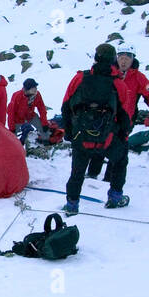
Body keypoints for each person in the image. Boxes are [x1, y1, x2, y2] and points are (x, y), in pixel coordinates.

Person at [61, 43, 131, 212]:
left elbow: (66, 106)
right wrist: (123, 136)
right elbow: (124, 115)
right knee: (120, 161)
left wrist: (69, 132)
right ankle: (115, 197)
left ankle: (72, 204)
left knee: (77, 172)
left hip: (81, 136)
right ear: (113, 59)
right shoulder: (118, 84)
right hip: (107, 137)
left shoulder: (79, 78)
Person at [86, 45, 149, 181]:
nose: (123, 62)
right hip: (106, 118)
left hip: (125, 121)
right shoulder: (109, 73)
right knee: (99, 145)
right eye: (121, 58)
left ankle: (109, 177)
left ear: (132, 60)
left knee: (118, 150)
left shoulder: (138, 77)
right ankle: (93, 173)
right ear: (116, 58)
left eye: (127, 59)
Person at [7, 78, 64, 147]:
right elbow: (11, 113)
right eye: (33, 88)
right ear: (27, 89)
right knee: (12, 137)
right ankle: (16, 147)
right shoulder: (17, 96)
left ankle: (46, 145)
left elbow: (42, 108)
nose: (36, 89)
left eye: (36, 87)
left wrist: (44, 123)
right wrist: (12, 128)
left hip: (31, 116)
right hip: (18, 119)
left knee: (44, 130)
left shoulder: (37, 95)